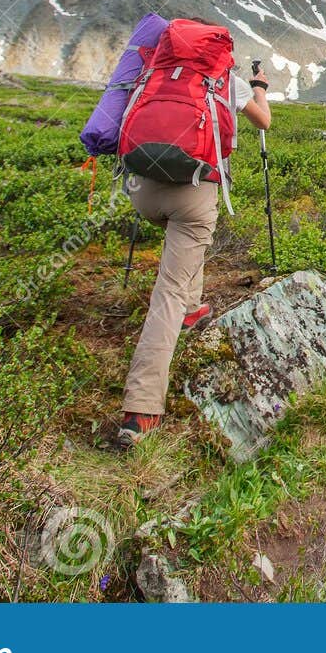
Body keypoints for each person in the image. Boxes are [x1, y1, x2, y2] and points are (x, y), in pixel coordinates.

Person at [114, 41, 271, 450]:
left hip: (141, 188)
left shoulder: (156, 72)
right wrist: (259, 89)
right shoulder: (224, 80)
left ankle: (193, 307)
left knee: (182, 250)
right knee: (169, 285)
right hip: (193, 191)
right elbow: (263, 123)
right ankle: (141, 408)